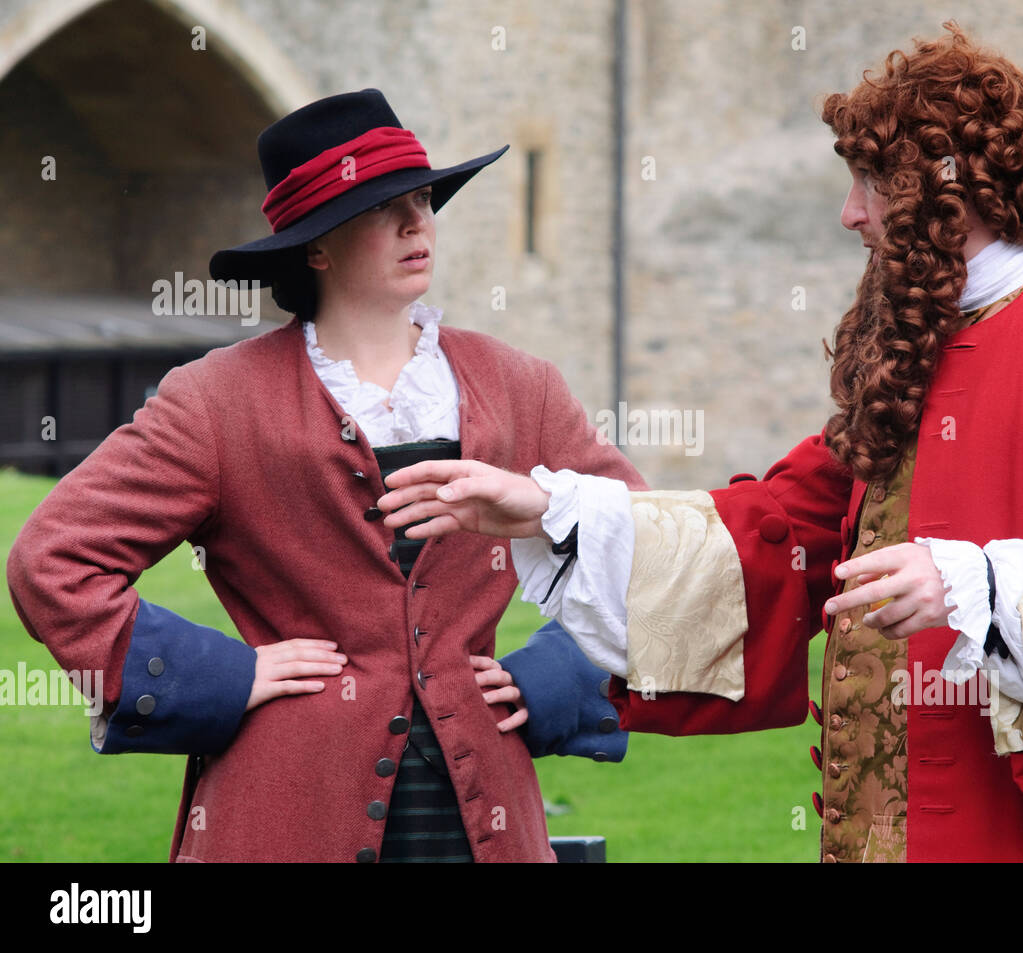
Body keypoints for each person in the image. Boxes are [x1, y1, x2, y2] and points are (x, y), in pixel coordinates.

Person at [373, 24, 1023, 862]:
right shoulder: (923, 347)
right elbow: (773, 533)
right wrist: (552, 510)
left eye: (871, 181)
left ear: (952, 188)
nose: (849, 212)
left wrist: (983, 584)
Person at [6, 89, 642, 862]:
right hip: (281, 812)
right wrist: (219, 675)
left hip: (489, 813)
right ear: (317, 248)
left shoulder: (519, 386)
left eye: (422, 200)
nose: (418, 223)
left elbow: (645, 546)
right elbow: (55, 560)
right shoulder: (217, 402)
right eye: (384, 209)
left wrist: (554, 675)